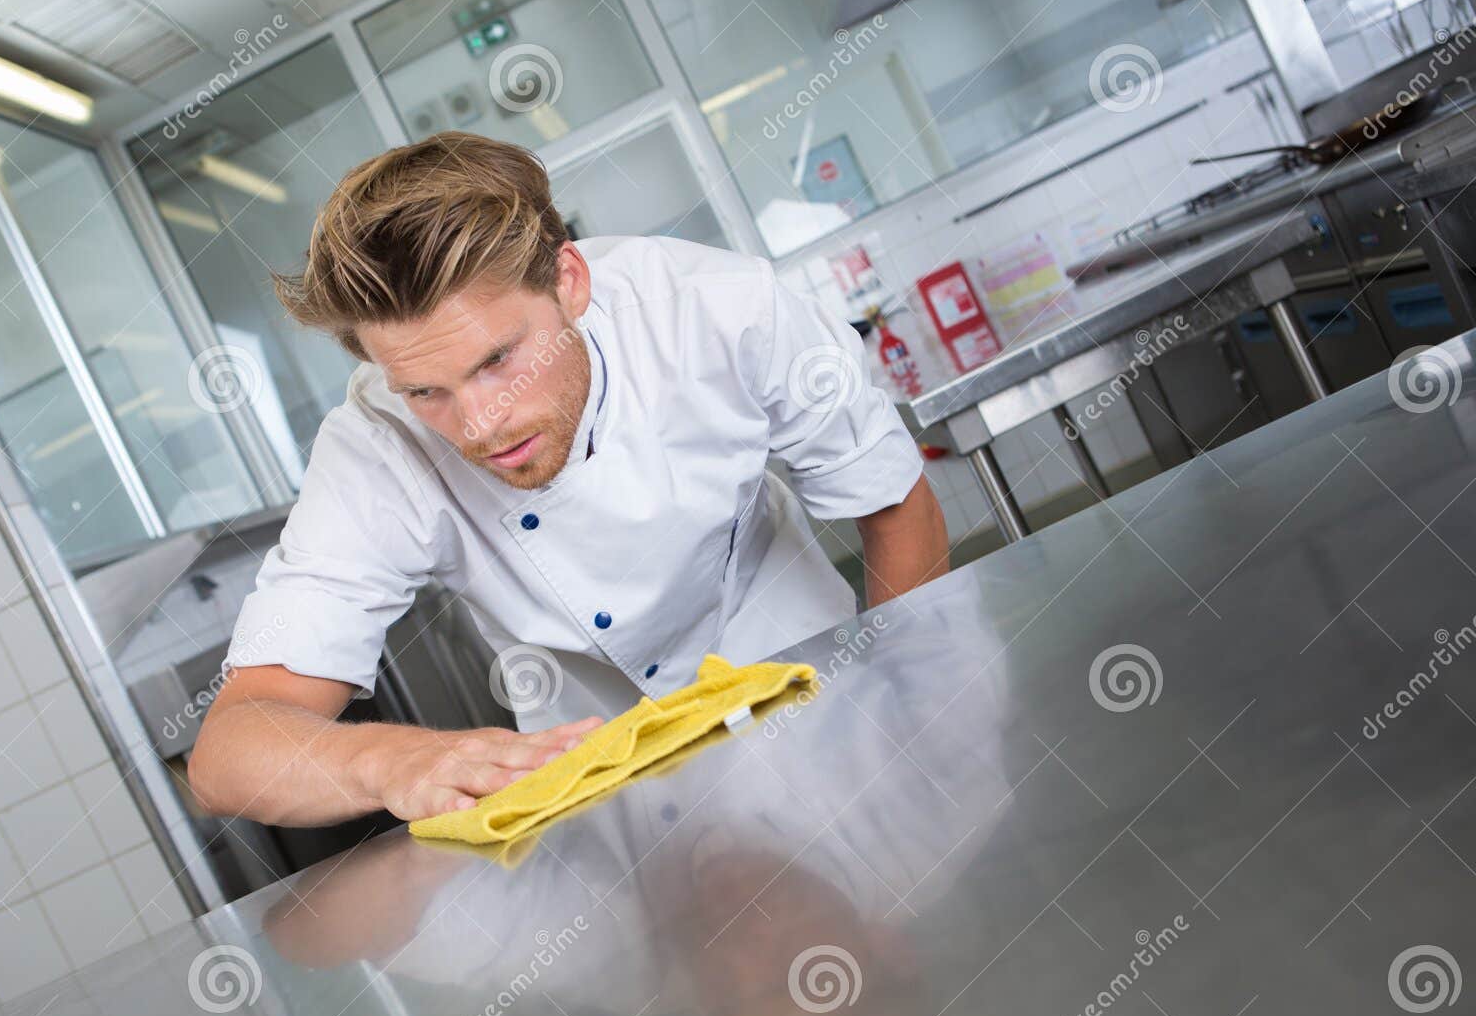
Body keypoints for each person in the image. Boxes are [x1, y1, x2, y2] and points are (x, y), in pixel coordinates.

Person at [191, 132, 949, 826]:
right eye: (427, 391)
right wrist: (390, 761)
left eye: (497, 360)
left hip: (817, 687)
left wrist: (914, 698)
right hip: (610, 792)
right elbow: (230, 752)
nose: (481, 425)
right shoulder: (375, 448)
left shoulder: (718, 309)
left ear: (569, 279)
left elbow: (891, 502)